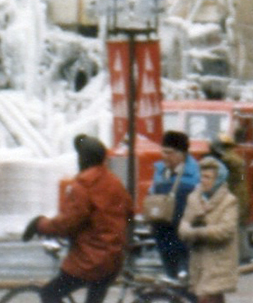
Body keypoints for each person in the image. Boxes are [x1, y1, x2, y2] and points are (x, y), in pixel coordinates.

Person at [22, 135, 134, 303]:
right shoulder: (114, 182)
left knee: (49, 293)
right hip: (113, 259)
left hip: (89, 261)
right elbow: (129, 211)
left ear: (82, 159)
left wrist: (39, 225)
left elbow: (67, 223)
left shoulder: (82, 186)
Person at [179, 155, 240, 303]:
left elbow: (225, 230)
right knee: (211, 298)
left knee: (208, 298)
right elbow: (184, 225)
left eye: (208, 177)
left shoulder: (229, 201)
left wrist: (198, 232)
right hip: (198, 263)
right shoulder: (194, 198)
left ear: (218, 180)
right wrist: (187, 230)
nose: (203, 180)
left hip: (218, 263)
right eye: (202, 176)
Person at [149, 129, 201, 280]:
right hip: (162, 231)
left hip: (185, 233)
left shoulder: (196, 173)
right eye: (163, 152)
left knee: (186, 278)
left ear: (182, 154)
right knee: (170, 275)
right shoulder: (159, 170)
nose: (164, 156)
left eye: (169, 152)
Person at [212, 133, 251, 263]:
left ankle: (240, 257)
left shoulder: (227, 160)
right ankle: (244, 255)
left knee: (235, 226)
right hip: (240, 195)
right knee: (240, 226)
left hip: (235, 196)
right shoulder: (235, 158)